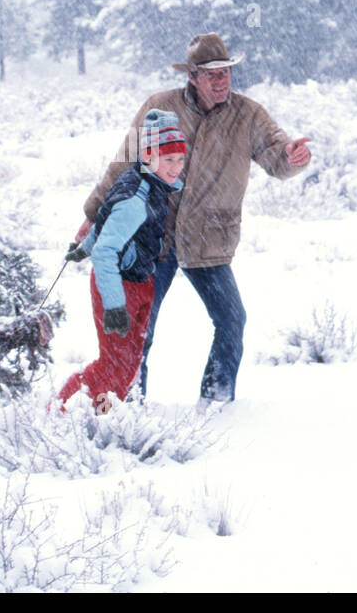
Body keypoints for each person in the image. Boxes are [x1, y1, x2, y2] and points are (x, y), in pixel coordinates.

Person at [75, 34, 312, 403]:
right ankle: (129, 403)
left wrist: (293, 157)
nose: (222, 82)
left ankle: (217, 402)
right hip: (155, 238)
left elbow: (276, 154)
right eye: (212, 75)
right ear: (192, 77)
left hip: (210, 240)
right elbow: (124, 164)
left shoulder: (248, 115)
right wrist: (94, 214)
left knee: (232, 322)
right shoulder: (160, 108)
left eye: (226, 73)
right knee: (141, 330)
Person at [54, 109, 187, 413]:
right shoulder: (136, 200)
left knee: (128, 366)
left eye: (180, 159)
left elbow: (103, 222)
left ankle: (106, 417)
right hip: (117, 285)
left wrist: (83, 247)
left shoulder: (147, 180)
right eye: (169, 159)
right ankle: (60, 408)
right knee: (112, 364)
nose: (176, 167)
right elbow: (105, 253)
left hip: (142, 279)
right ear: (150, 155)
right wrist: (114, 305)